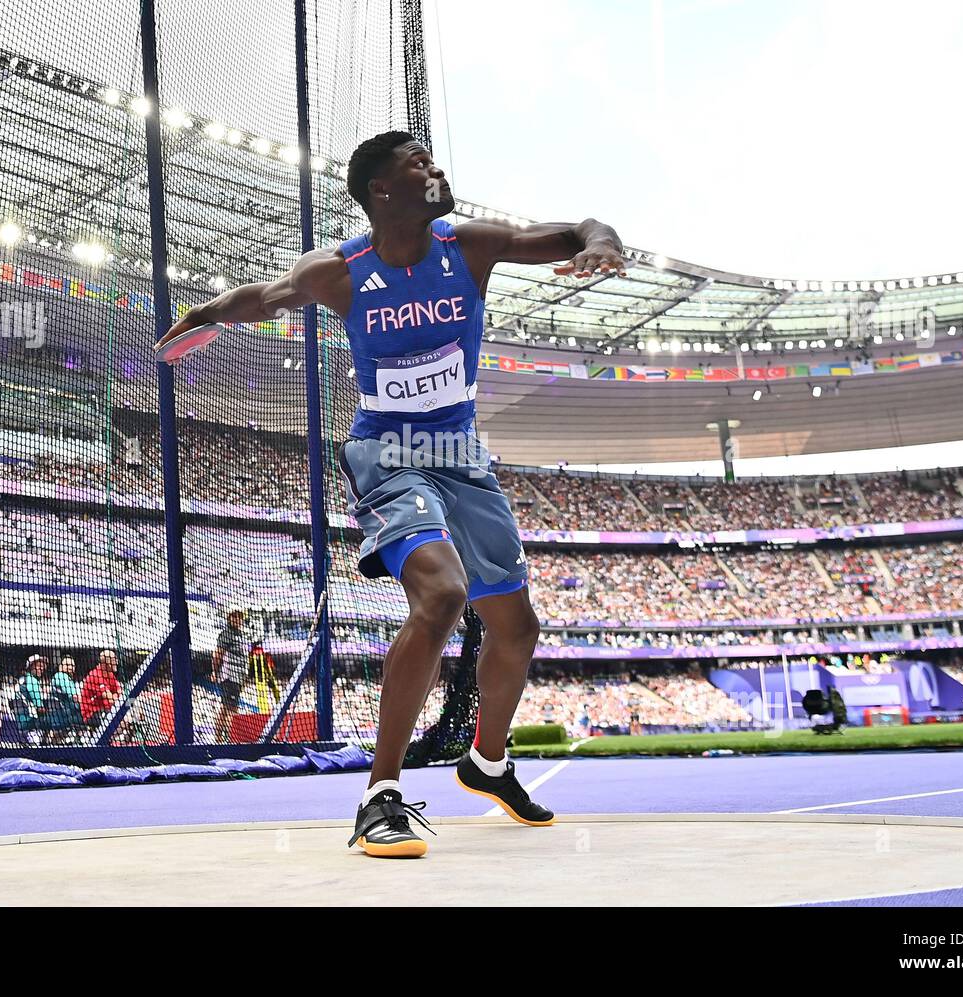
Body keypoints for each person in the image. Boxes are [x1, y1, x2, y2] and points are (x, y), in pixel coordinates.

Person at [156, 130, 627, 858]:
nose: (436, 169)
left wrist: (602, 242)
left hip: (461, 455)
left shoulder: (470, 246)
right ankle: (380, 794)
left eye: (433, 159)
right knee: (442, 595)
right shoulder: (340, 271)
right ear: (381, 190)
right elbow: (267, 297)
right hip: (388, 452)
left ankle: (487, 762)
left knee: (517, 627)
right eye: (418, 163)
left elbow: (572, 231)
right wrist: (206, 315)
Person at [211, 608, 251, 742]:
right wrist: (215, 672)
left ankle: (218, 740)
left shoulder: (242, 635)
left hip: (238, 677)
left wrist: (244, 678)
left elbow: (245, 658)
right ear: (229, 618)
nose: (237, 620)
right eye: (234, 617)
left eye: (239, 617)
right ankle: (233, 740)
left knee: (225, 708)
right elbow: (218, 654)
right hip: (230, 676)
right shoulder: (226, 634)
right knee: (232, 709)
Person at [80, 649, 121, 734]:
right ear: (106, 662)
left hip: (105, 710)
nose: (116, 662)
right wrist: (115, 696)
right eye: (114, 660)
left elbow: (120, 691)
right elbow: (111, 699)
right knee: (122, 718)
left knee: (129, 713)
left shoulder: (110, 675)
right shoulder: (95, 675)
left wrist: (115, 695)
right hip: (92, 714)